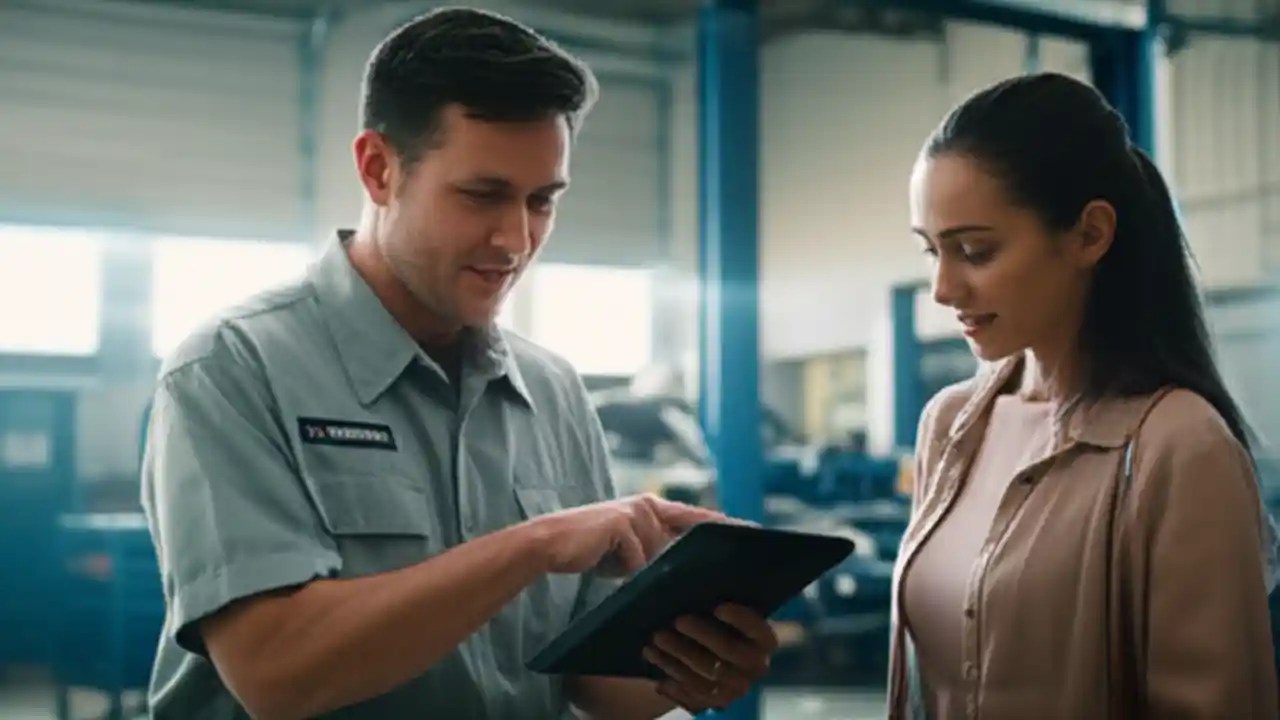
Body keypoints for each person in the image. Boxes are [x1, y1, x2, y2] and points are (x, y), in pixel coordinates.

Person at [139, 8, 778, 719]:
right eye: (483, 195)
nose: (515, 239)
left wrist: (688, 667)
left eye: (542, 201)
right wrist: (533, 546)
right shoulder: (233, 368)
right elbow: (276, 673)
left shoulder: (553, 391)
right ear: (380, 170)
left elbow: (592, 685)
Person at [890, 72, 1280, 719]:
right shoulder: (951, 426)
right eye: (932, 251)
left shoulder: (1178, 448)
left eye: (974, 251)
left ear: (1090, 235)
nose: (943, 288)